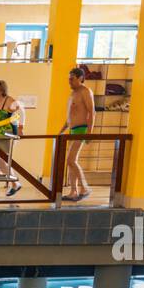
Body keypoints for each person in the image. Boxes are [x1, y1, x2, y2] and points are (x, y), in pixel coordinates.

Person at [58, 67, 94, 202]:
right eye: (69, 79)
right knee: (71, 162)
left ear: (80, 78)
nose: (69, 82)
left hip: (81, 129)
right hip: (73, 130)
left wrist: (90, 132)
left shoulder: (85, 91)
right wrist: (62, 130)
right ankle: (74, 191)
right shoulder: (73, 94)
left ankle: (85, 187)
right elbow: (70, 116)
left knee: (70, 160)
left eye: (72, 79)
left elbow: (91, 112)